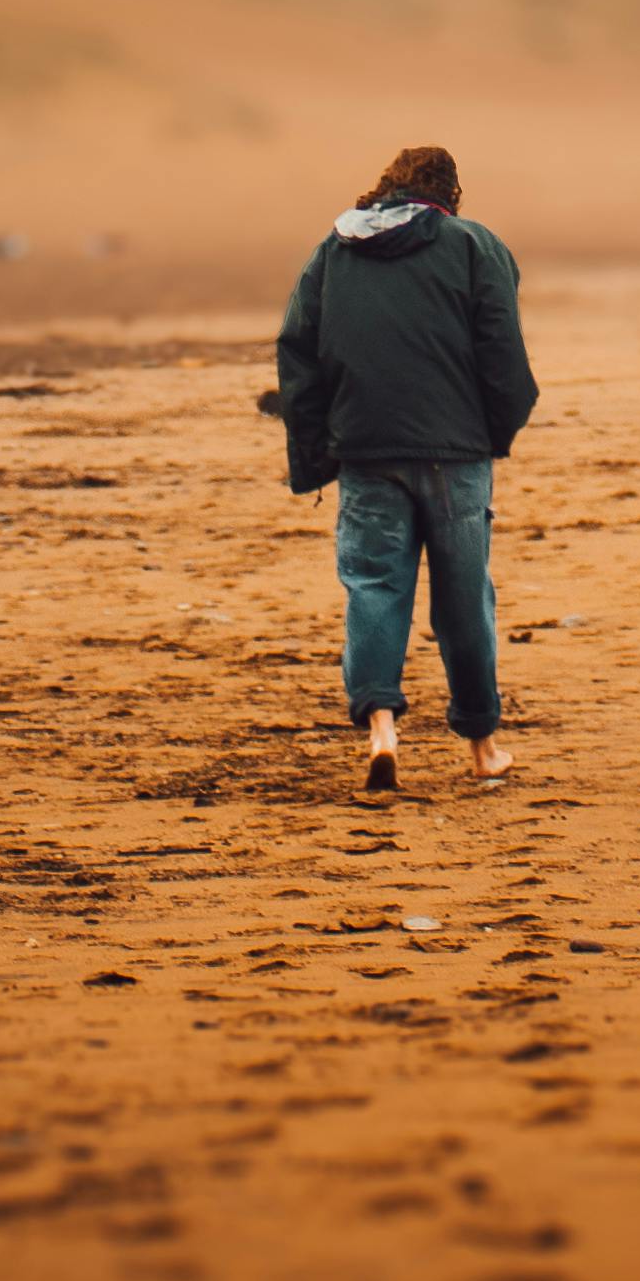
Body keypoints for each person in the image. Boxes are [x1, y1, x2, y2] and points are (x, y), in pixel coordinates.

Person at [268, 142, 537, 797]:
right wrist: (496, 431)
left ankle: (382, 730)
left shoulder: (334, 249)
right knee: (463, 598)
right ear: (448, 198)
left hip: (365, 451)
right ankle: (483, 747)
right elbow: (502, 350)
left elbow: (296, 349)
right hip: (456, 454)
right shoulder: (474, 246)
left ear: (385, 190)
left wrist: (317, 453)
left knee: (373, 586)